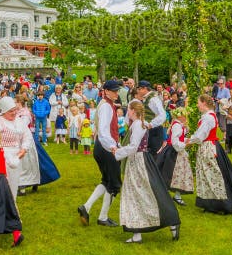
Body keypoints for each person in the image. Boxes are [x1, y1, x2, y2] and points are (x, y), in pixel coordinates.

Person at [115, 100, 181, 243]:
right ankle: (137, 233)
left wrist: (117, 153)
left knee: (147, 193)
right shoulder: (137, 124)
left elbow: (134, 147)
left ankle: (171, 220)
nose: (128, 112)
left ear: (133, 111)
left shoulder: (138, 124)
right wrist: (118, 147)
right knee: (136, 195)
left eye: (129, 110)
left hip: (139, 161)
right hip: (136, 161)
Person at [186, 94, 232, 214]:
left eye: (199, 102)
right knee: (207, 174)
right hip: (208, 146)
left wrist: (189, 140)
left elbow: (201, 135)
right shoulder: (208, 115)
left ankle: (221, 204)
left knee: (212, 175)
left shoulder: (208, 117)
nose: (197, 105)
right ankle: (211, 203)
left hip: (208, 147)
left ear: (204, 103)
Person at [77, 79, 122, 228]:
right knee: (114, 185)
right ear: (106, 91)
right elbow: (103, 131)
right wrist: (113, 146)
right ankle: (103, 217)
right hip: (106, 148)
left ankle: (87, 207)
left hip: (100, 147)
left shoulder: (105, 105)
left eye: (117, 90)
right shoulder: (106, 107)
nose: (117, 93)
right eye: (114, 90)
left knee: (106, 181)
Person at [156, 108, 193, 205]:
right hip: (173, 152)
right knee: (172, 173)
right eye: (184, 116)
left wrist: (185, 140)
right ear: (179, 116)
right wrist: (185, 145)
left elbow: (178, 138)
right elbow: (174, 142)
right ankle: (169, 195)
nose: (185, 118)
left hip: (174, 151)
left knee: (177, 174)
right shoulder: (177, 126)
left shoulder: (178, 125)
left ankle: (176, 195)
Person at [133, 80, 166, 155]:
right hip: (150, 131)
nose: (138, 91)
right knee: (149, 155)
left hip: (155, 131)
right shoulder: (147, 98)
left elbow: (162, 115)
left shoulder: (153, 99)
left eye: (139, 89)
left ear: (145, 88)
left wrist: (151, 124)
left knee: (154, 155)